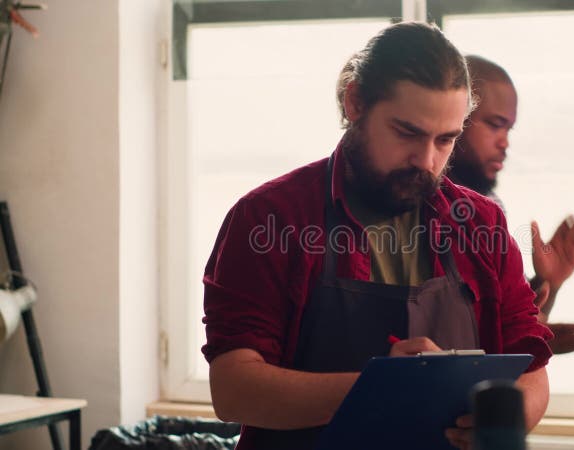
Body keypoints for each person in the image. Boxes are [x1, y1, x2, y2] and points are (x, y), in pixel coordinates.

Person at [202, 23, 553, 450]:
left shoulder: (483, 225)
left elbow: (532, 369)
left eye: (445, 140)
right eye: (407, 132)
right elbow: (234, 388)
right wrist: (383, 387)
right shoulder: (269, 218)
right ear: (355, 102)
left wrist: (503, 419)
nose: (426, 161)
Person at [449, 55, 574, 355]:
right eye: (494, 125)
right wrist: (523, 343)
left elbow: (505, 323)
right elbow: (432, 343)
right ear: (453, 116)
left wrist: (548, 283)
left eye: (508, 130)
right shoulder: (411, 208)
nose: (504, 143)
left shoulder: (487, 210)